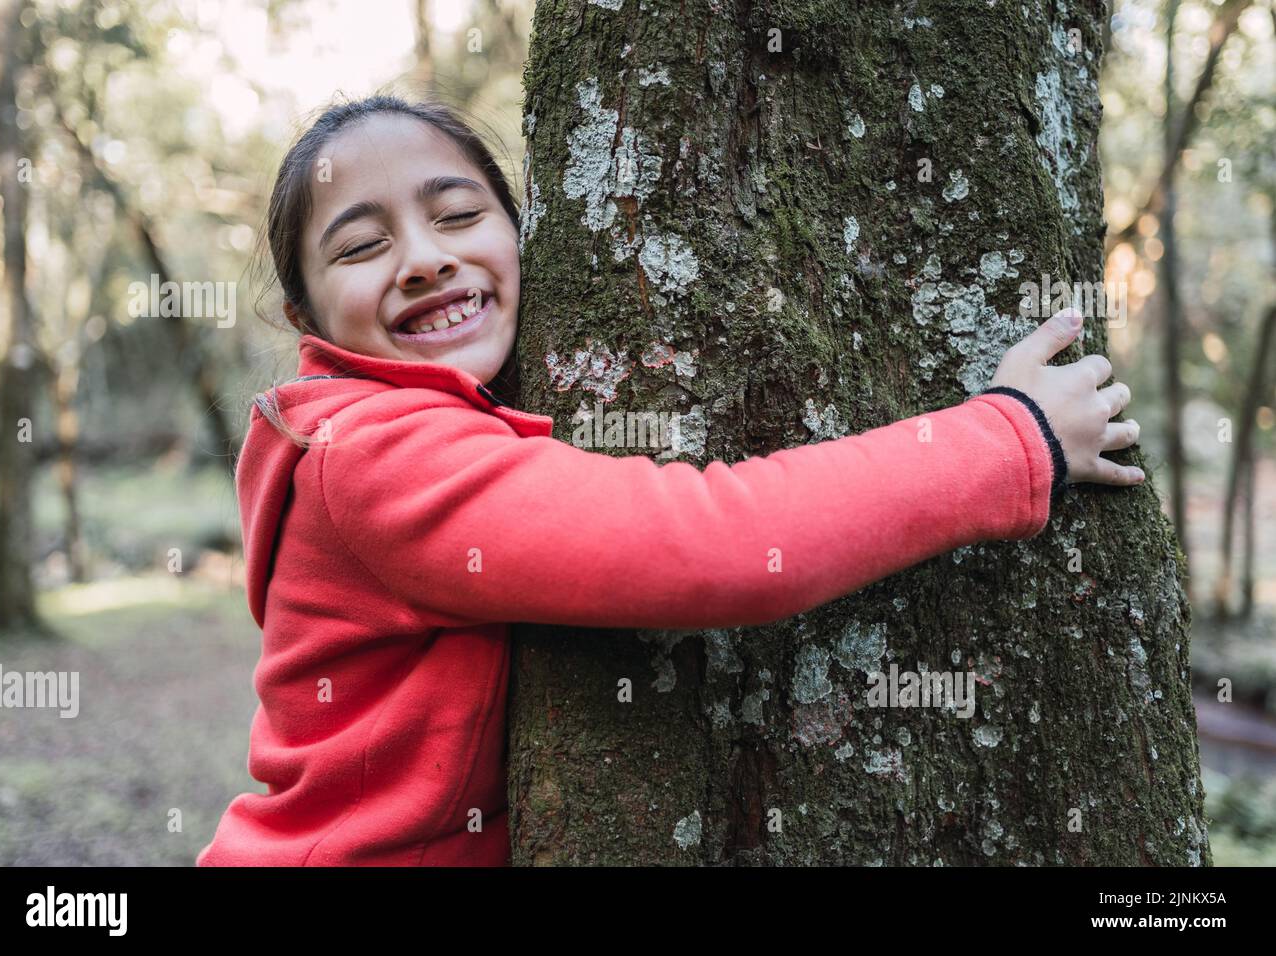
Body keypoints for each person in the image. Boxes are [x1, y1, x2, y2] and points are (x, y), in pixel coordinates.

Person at [196, 96, 1142, 866]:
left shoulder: (424, 428)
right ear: (304, 312)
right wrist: (1012, 442)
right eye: (361, 248)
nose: (425, 258)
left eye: (458, 215)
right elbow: (717, 547)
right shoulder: (371, 459)